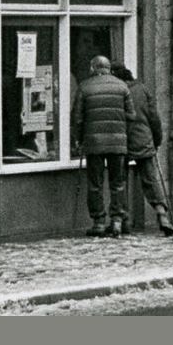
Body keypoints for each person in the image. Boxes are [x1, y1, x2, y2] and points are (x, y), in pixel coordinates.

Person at [70, 54, 131, 236]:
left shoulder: (85, 87)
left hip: (94, 142)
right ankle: (117, 221)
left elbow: (78, 118)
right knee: (117, 183)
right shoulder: (122, 87)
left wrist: (79, 139)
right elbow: (132, 115)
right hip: (118, 142)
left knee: (95, 183)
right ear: (108, 68)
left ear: (93, 68)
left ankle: (98, 222)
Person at [115, 64, 173, 236]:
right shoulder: (143, 90)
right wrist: (156, 141)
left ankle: (121, 220)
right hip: (144, 139)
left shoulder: (117, 91)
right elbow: (154, 118)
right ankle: (162, 214)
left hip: (122, 141)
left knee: (120, 181)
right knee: (151, 179)